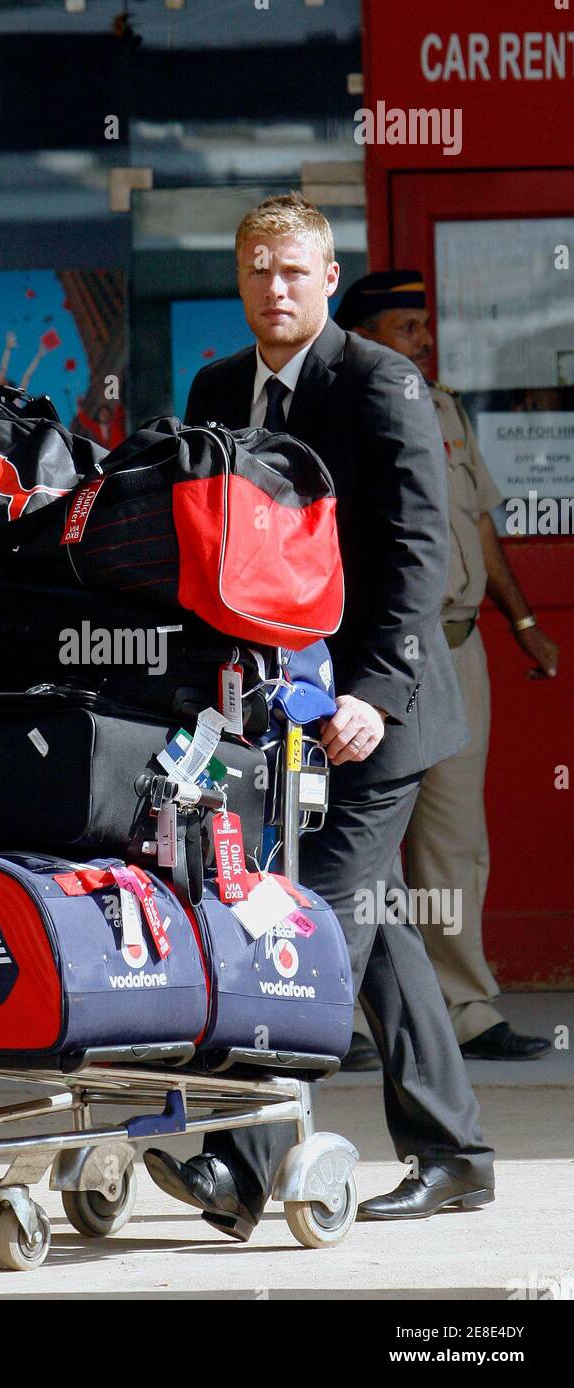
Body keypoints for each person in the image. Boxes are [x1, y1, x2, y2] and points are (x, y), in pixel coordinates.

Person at [143, 193, 496, 1236]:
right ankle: (454, 1151)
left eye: (293, 270)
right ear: (238, 278)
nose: (274, 286)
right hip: (274, 719)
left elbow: (417, 556)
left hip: (378, 717)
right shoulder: (216, 387)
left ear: (327, 278)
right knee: (378, 937)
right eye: (256, 268)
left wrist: (374, 696)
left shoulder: (380, 382)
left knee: (300, 925)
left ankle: (239, 1168)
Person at [334, 271, 557, 1068]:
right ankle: (346, 1019)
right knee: (350, 844)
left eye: (423, 324)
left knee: (455, 843)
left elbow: (477, 528)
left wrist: (522, 621)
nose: (421, 339)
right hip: (367, 662)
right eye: (404, 326)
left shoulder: (445, 407)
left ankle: (465, 1009)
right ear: (360, 334)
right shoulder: (339, 406)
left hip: (455, 650)